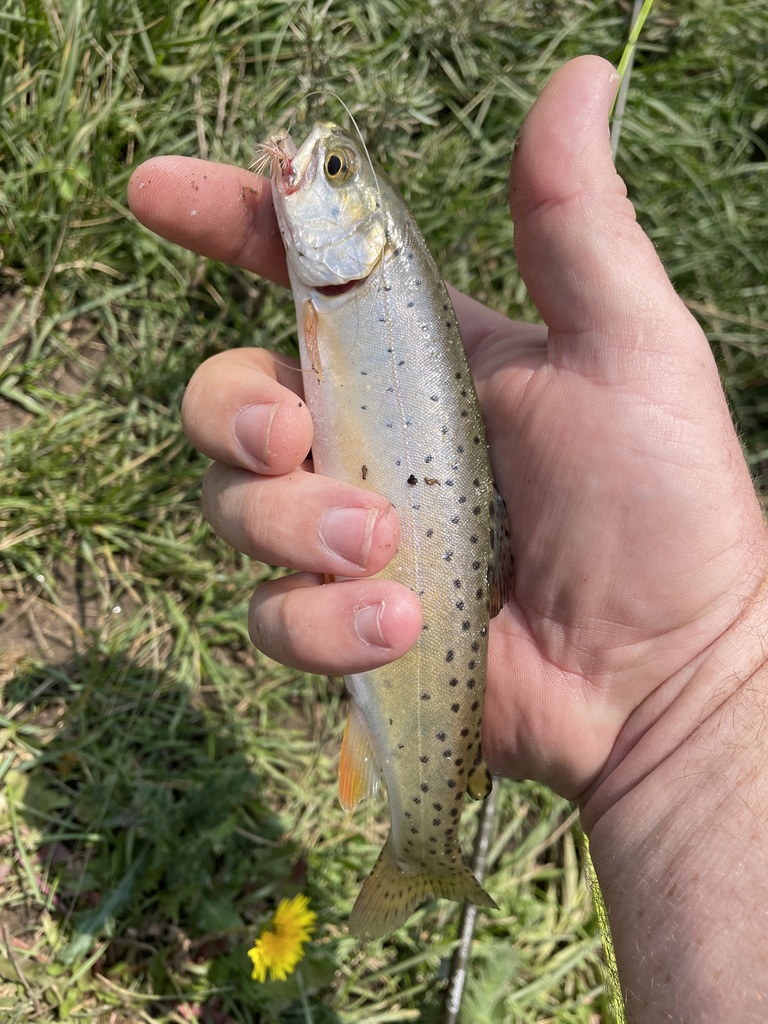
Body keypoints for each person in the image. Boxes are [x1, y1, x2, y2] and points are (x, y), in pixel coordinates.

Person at [127, 56, 768, 1022]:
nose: (316, 170)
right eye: (332, 169)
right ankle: (418, 832)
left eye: (337, 176)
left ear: (367, 236)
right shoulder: (341, 281)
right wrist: (695, 714)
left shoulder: (355, 286)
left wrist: (698, 695)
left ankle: (419, 842)